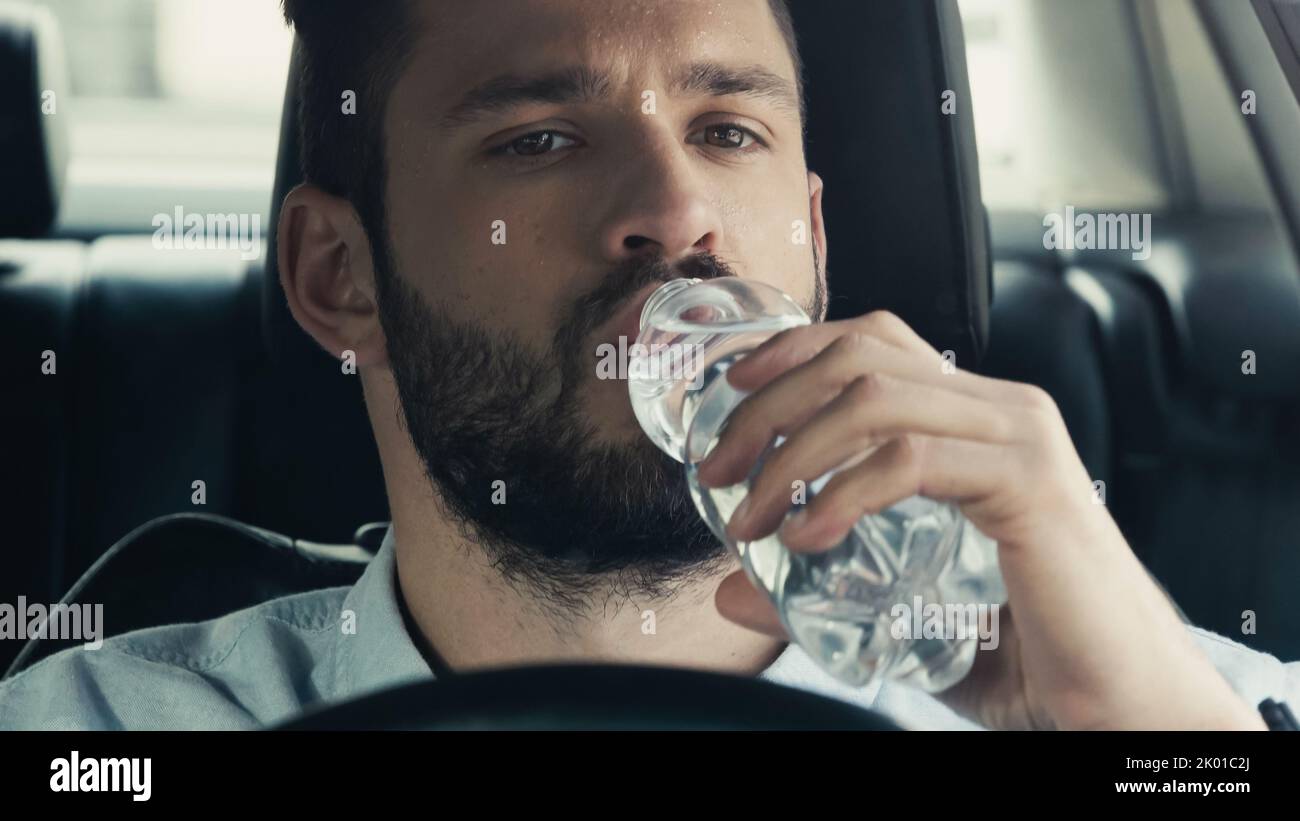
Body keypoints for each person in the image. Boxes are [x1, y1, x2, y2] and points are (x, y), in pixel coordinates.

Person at [1, 0, 1295, 731]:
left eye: (727, 128)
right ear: (341, 275)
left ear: (817, 241)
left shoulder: (1168, 707)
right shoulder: (102, 734)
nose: (677, 212)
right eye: (540, 139)